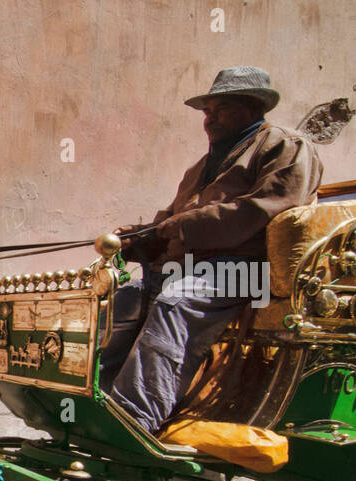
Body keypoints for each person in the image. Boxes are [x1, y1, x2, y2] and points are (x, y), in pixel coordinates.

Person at [102, 66, 323, 433]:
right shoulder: (201, 166)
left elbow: (264, 210)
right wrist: (138, 238)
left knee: (176, 300)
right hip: (188, 267)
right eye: (206, 112)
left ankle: (136, 419)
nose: (209, 119)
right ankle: (99, 406)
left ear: (252, 106)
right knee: (122, 302)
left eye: (219, 109)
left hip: (250, 271)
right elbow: (171, 221)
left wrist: (186, 226)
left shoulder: (286, 146)